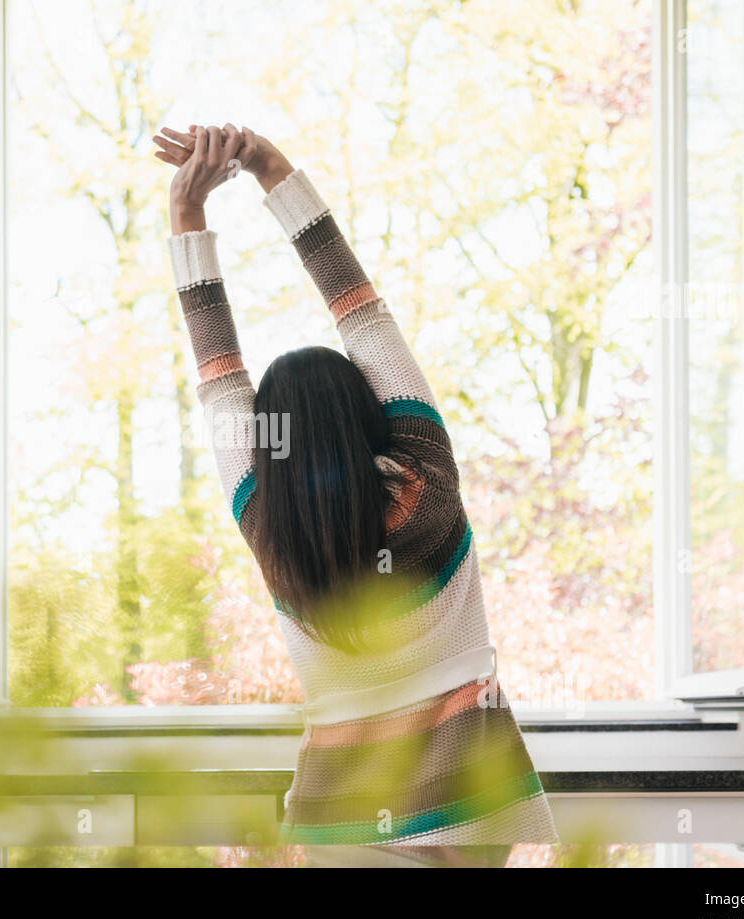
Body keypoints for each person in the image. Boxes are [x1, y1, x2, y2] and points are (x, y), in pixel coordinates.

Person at [153, 123, 557, 847]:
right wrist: (267, 165)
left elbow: (219, 379)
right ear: (373, 415)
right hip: (472, 800)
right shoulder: (427, 482)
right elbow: (360, 313)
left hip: (340, 823)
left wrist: (187, 214)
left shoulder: (264, 520)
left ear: (268, 450)